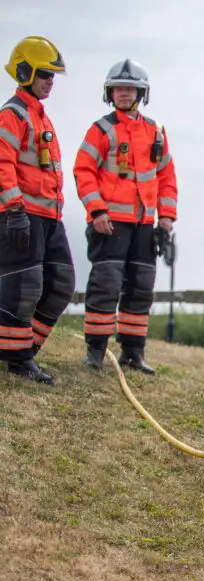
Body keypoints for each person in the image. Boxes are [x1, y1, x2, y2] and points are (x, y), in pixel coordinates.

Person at [73, 58, 177, 375]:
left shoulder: (156, 132)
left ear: (140, 93)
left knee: (141, 288)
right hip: (109, 225)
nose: (123, 93)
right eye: (118, 88)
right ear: (110, 92)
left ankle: (134, 351)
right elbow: (83, 171)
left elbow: (167, 178)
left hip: (145, 226)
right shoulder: (100, 130)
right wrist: (97, 211)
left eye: (129, 88)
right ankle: (96, 350)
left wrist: (167, 218)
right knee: (106, 286)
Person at [0, 36, 75, 385]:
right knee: (24, 287)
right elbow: (2, 163)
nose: (50, 81)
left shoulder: (40, 117)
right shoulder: (12, 115)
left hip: (49, 218)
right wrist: (14, 209)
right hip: (22, 215)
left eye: (53, 75)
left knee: (62, 283)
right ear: (26, 71)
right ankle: (18, 361)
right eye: (45, 74)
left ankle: (22, 350)